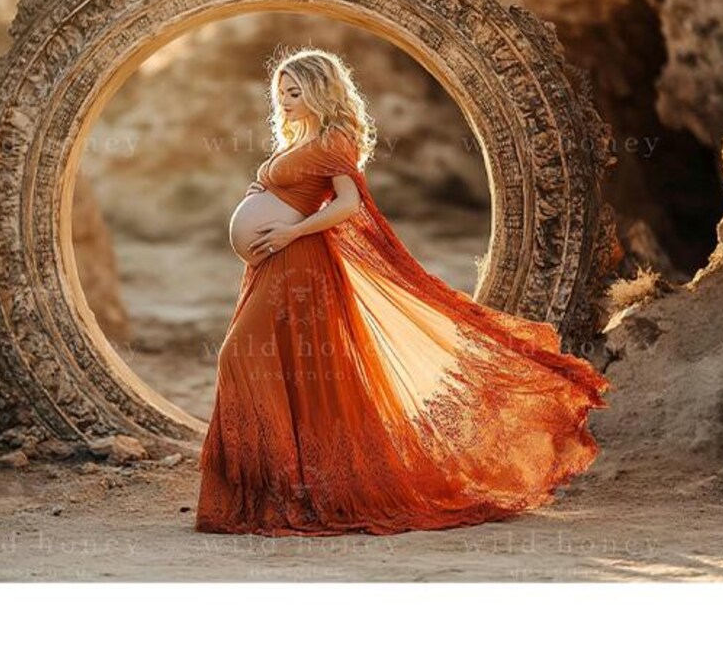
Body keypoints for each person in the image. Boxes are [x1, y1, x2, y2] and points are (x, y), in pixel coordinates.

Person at [196, 46, 612, 536]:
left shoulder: (334, 138)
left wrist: (293, 230)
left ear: (317, 90)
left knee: (239, 357)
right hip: (276, 265)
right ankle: (278, 487)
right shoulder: (303, 138)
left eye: (294, 91)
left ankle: (281, 488)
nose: (284, 100)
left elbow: (348, 204)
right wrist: (262, 194)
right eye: (281, 92)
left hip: (299, 264)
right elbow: (294, 189)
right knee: (287, 369)